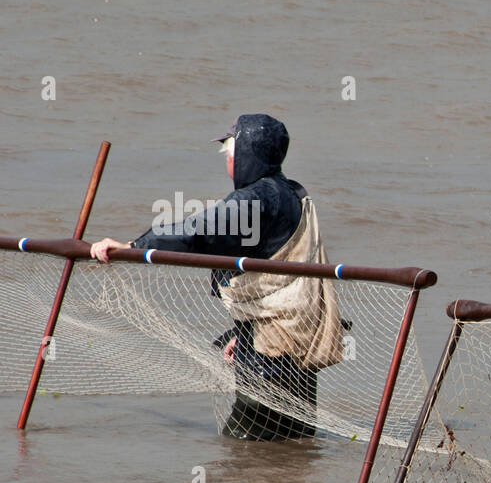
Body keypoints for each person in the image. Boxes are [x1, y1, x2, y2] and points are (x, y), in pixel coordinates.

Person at [90, 114, 342, 440]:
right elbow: (277, 283)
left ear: (245, 156)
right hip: (291, 346)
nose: (228, 162)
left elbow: (199, 231)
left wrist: (133, 247)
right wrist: (244, 333)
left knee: (245, 449)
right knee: (291, 449)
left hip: (270, 359)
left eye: (230, 154)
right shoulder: (291, 193)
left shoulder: (256, 198)